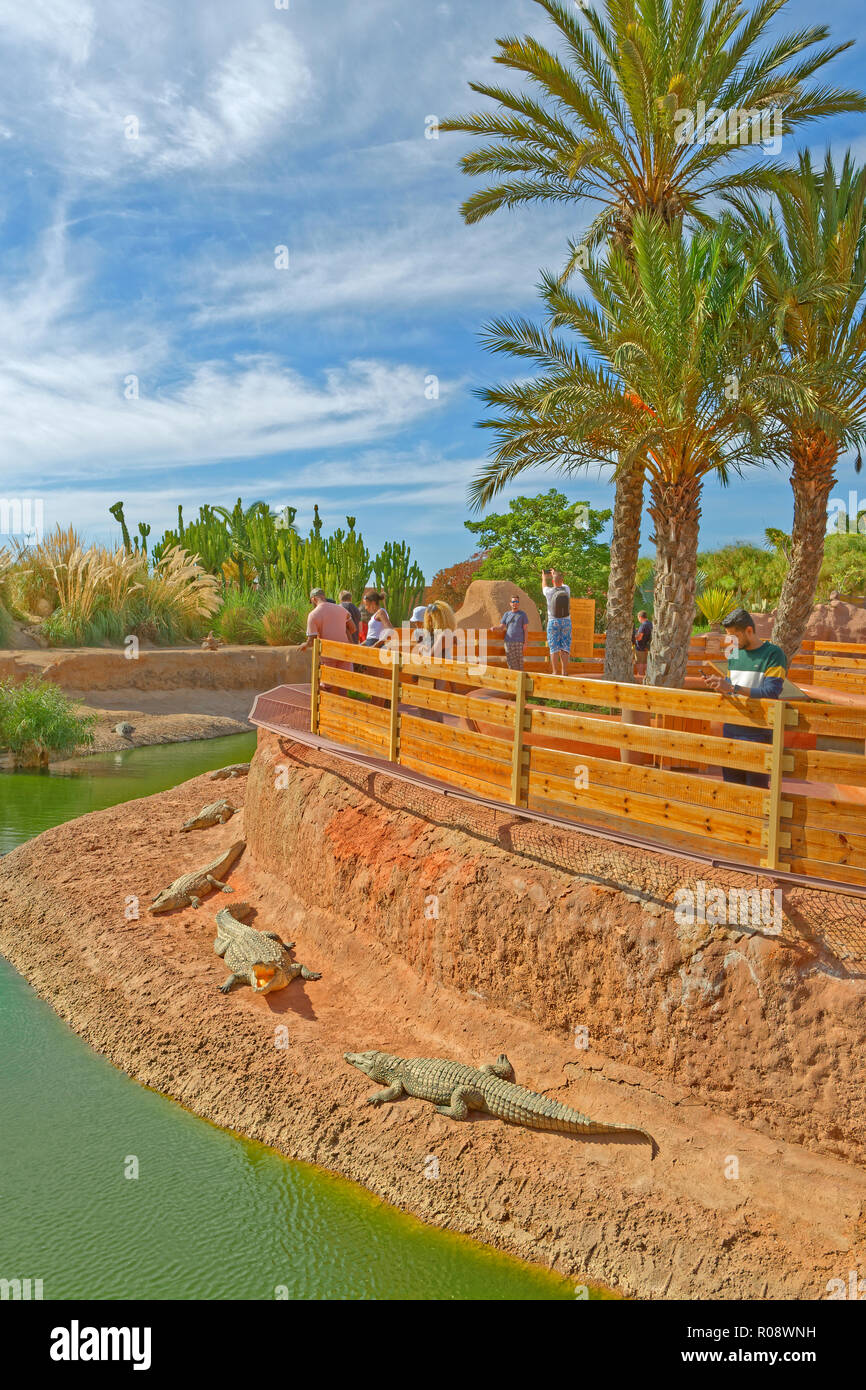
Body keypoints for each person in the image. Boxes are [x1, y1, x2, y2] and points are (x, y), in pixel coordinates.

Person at [701, 608, 788, 789]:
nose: (731, 641)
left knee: (756, 792)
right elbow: (730, 685)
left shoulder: (774, 654)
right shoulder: (734, 652)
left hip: (758, 734)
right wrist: (720, 686)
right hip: (730, 730)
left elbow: (771, 692)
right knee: (732, 790)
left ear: (749, 630)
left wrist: (733, 688)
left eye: (735, 636)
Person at [301, 588, 354, 670]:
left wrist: (305, 644)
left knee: (328, 681)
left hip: (328, 654)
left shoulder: (313, 614)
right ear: (324, 597)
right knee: (344, 680)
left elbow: (312, 641)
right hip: (345, 652)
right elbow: (353, 628)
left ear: (314, 599)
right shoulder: (342, 610)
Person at [495, 596, 529, 671]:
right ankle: (513, 681)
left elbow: (525, 629)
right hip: (508, 642)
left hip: (519, 642)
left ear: (518, 603)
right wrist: (494, 628)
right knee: (511, 663)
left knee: (519, 663)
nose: (515, 603)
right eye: (513, 602)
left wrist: (525, 643)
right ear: (510, 603)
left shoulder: (522, 614)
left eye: (516, 602)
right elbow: (502, 627)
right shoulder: (506, 614)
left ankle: (520, 681)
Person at [545, 584, 572, 676]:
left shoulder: (548, 591)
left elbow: (544, 585)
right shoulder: (567, 589)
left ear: (553, 580)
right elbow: (560, 582)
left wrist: (544, 577)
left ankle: (555, 671)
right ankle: (564, 671)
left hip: (553, 620)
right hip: (566, 621)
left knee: (554, 647)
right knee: (565, 646)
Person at [633, 610, 653, 680]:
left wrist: (634, 636)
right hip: (648, 647)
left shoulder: (643, 625)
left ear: (640, 617)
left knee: (640, 663)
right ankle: (646, 678)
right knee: (645, 663)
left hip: (640, 648)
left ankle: (640, 679)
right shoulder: (651, 624)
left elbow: (639, 638)